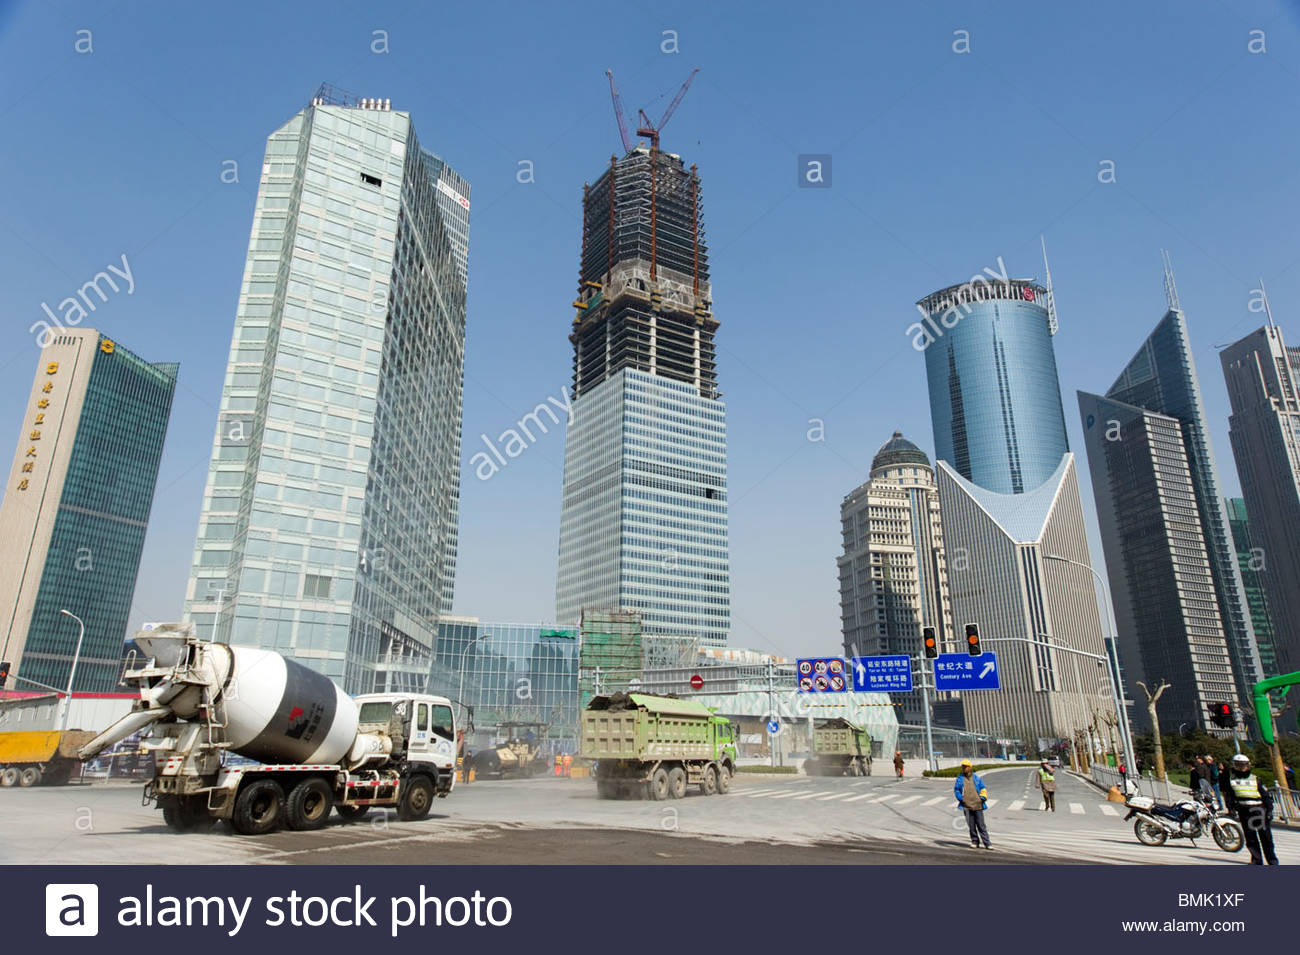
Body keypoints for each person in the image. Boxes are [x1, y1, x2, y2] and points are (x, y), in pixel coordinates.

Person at [1223, 753, 1278, 866]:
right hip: (1244, 810)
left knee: (1266, 838)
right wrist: (1231, 808)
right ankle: (1256, 860)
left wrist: (1269, 810)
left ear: (1247, 766)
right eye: (1238, 765)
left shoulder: (1255, 779)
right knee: (1251, 838)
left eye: (1243, 765)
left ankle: (1272, 861)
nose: (1241, 768)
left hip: (1258, 810)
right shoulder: (1231, 780)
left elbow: (1265, 795)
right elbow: (1229, 796)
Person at [954, 760, 992, 849]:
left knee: (981, 825)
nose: (964, 768)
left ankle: (987, 843)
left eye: (966, 766)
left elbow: (983, 788)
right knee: (971, 826)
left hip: (978, 805)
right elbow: (957, 790)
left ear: (970, 767)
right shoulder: (960, 779)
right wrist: (961, 799)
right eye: (963, 766)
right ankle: (975, 841)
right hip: (967, 806)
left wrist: (982, 798)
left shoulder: (976, 778)